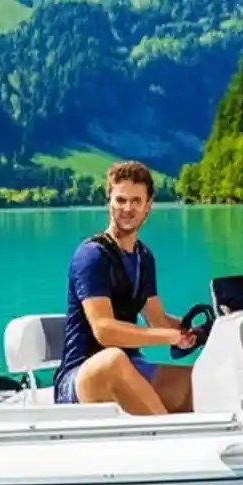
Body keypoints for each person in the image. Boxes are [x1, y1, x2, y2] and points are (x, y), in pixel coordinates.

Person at [52, 161, 197, 414]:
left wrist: (199, 331)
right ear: (109, 202)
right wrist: (168, 337)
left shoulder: (143, 258)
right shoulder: (92, 256)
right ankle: (168, 432)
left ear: (148, 206)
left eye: (136, 201)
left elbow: (158, 321)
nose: (127, 208)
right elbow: (104, 330)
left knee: (201, 381)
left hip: (133, 365)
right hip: (81, 376)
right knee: (114, 360)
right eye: (120, 200)